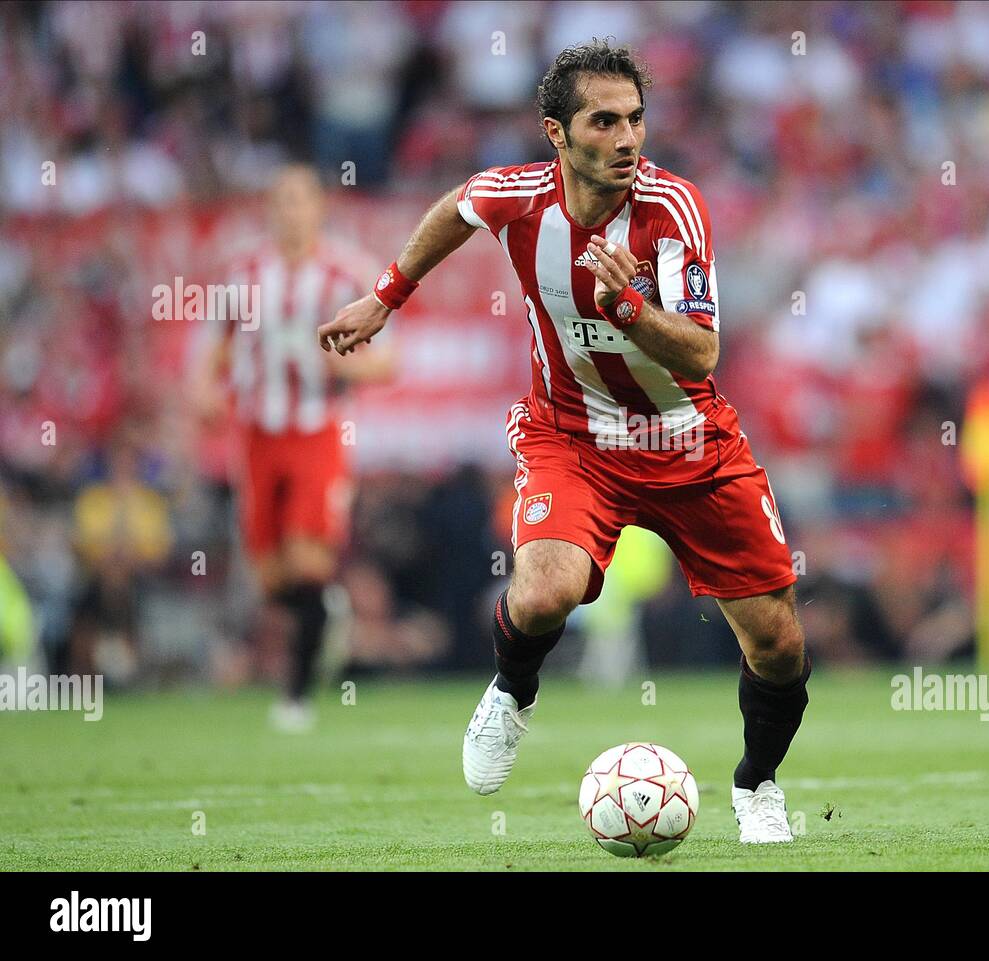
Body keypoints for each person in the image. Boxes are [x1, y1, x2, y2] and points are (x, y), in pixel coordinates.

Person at [317, 41, 809, 843]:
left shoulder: (673, 209)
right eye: (604, 120)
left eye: (636, 119)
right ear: (557, 132)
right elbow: (454, 208)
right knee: (545, 590)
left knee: (780, 643)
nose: (627, 138)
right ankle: (512, 690)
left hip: (690, 442)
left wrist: (626, 309)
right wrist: (386, 297)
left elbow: (702, 351)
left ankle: (757, 783)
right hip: (572, 435)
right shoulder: (519, 197)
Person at [195, 164, 390, 731]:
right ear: (269, 209)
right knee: (271, 575)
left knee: (308, 556)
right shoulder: (242, 275)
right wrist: (204, 390)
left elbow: (390, 361)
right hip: (255, 432)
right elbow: (214, 347)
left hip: (317, 430)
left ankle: (297, 697)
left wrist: (351, 361)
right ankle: (325, 613)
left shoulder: (346, 274)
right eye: (281, 201)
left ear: (319, 208)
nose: (291, 212)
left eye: (301, 201)